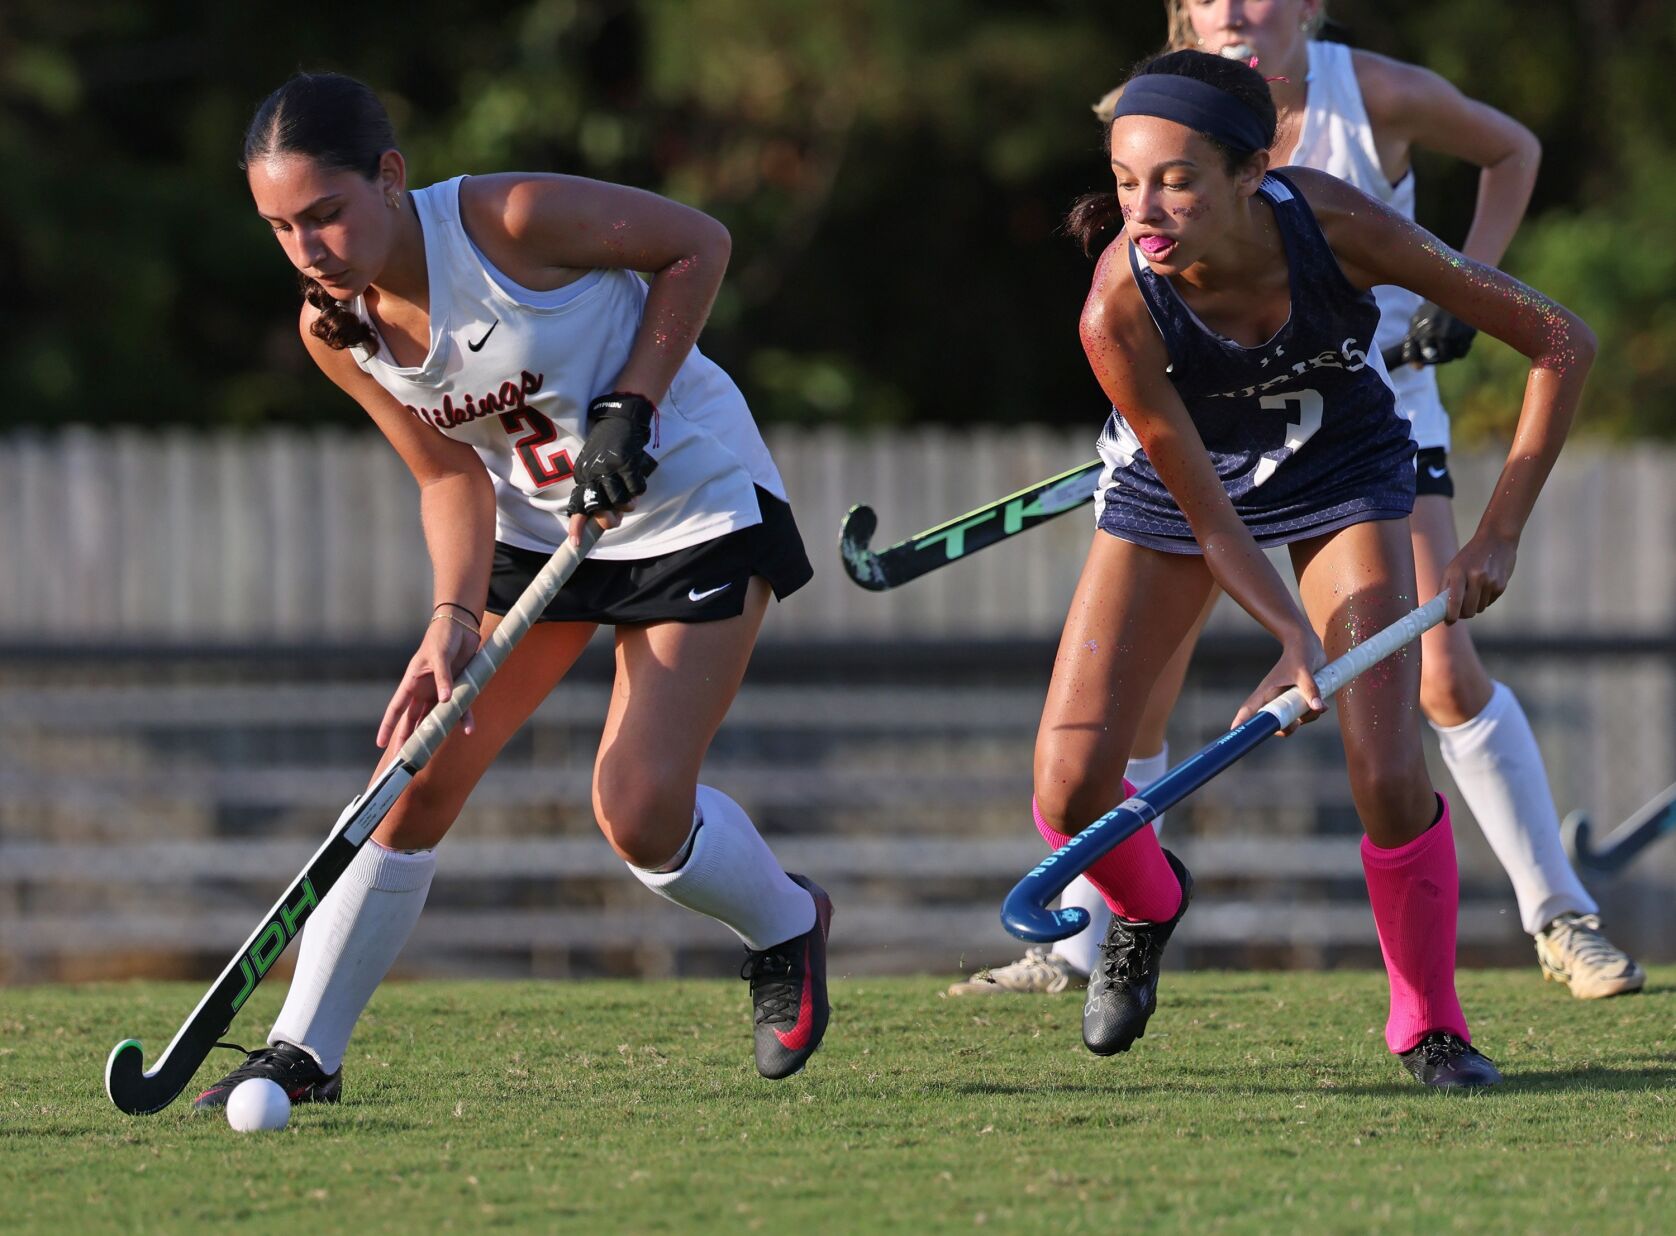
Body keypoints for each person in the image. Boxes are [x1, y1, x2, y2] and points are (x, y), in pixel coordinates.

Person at [954, 0, 1642, 1003]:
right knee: (1094, 747)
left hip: (1361, 427)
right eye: (1125, 182)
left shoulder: (1353, 146)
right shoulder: (1122, 279)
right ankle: (1115, 925)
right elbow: (1206, 515)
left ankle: (1535, 929)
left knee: (1415, 714)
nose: (1232, 10)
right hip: (1201, 456)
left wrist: (1494, 521)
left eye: (1175, 181)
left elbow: (1542, 281)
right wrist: (1289, 630)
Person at [194, 72, 833, 1107]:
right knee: (415, 774)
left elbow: (697, 245)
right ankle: (304, 1052)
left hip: (692, 511)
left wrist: (632, 401)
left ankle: (786, 926)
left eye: (326, 214)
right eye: (280, 227)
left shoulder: (507, 221)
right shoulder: (332, 326)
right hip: (542, 539)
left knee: (635, 810)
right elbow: (448, 476)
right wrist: (447, 624)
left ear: (390, 178)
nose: (310, 249)